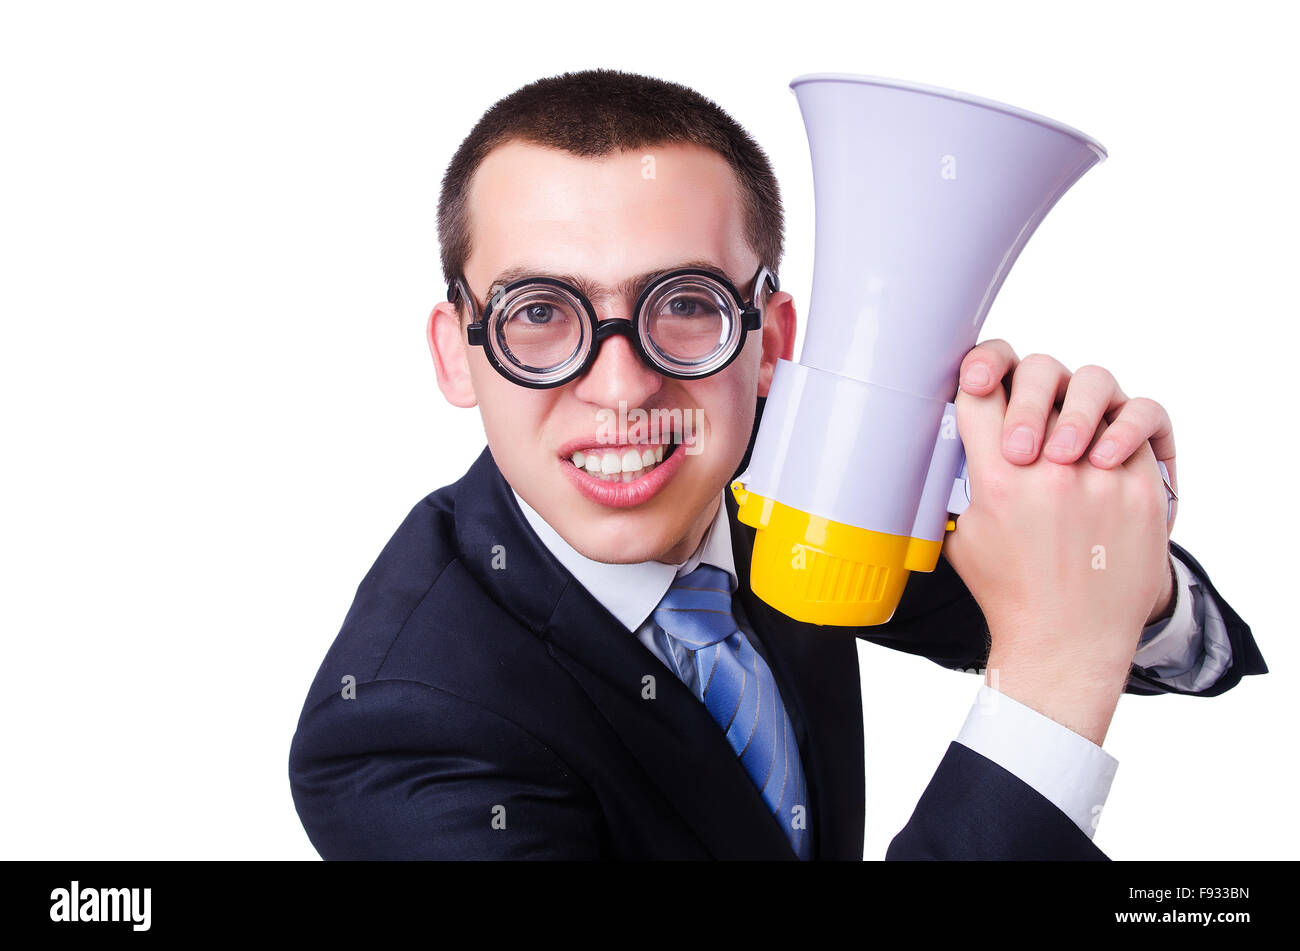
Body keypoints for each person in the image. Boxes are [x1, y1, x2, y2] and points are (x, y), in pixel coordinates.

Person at [288, 69, 1266, 860]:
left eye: (685, 303)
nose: (622, 390)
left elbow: (1141, 631)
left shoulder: (781, 484)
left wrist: (1098, 540)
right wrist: (1056, 674)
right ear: (457, 353)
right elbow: (1059, 642)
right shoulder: (398, 739)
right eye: (538, 313)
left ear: (769, 346)